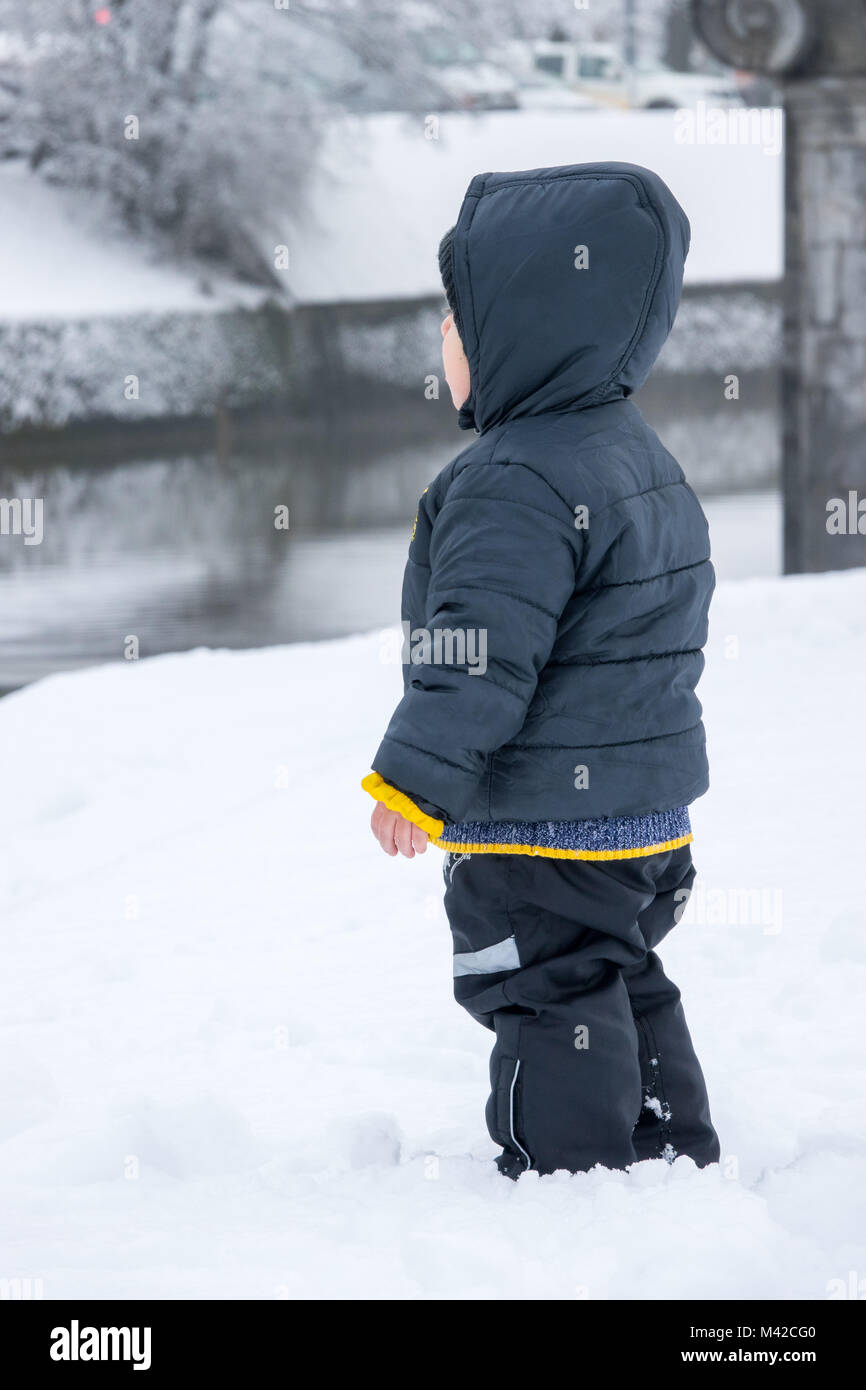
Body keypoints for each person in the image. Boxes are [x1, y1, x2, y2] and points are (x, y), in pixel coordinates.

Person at [362, 162, 720, 1177]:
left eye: (455, 319)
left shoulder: (507, 479)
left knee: (542, 988)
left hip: (539, 824)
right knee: (616, 970)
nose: (442, 339)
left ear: (519, 332)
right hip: (643, 819)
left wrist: (413, 777)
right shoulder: (637, 457)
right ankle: (666, 1147)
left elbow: (475, 644)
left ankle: (570, 1176)